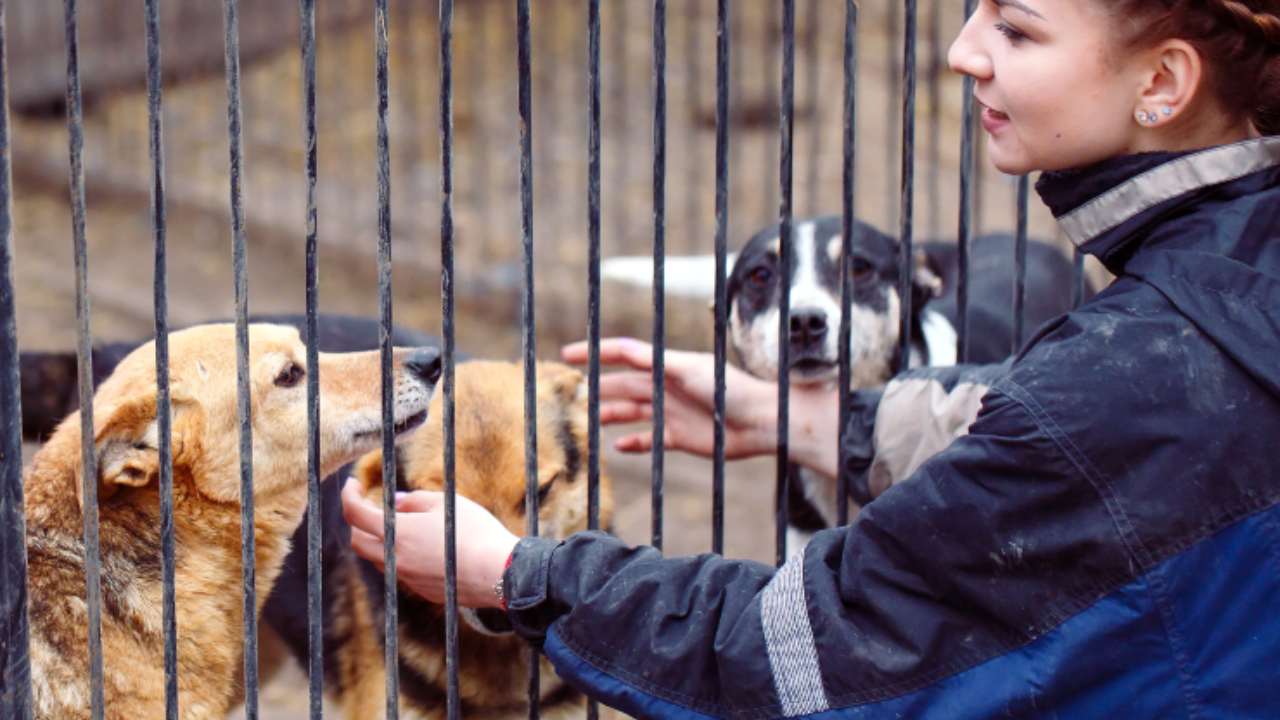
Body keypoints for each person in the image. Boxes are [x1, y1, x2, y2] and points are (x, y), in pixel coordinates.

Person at [342, 1, 1280, 717]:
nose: (963, 48)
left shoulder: (1137, 367)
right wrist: (826, 422)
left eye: (1019, 29)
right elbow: (1119, 445)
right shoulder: (1227, 277)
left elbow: (814, 651)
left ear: (1162, 83)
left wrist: (519, 575)